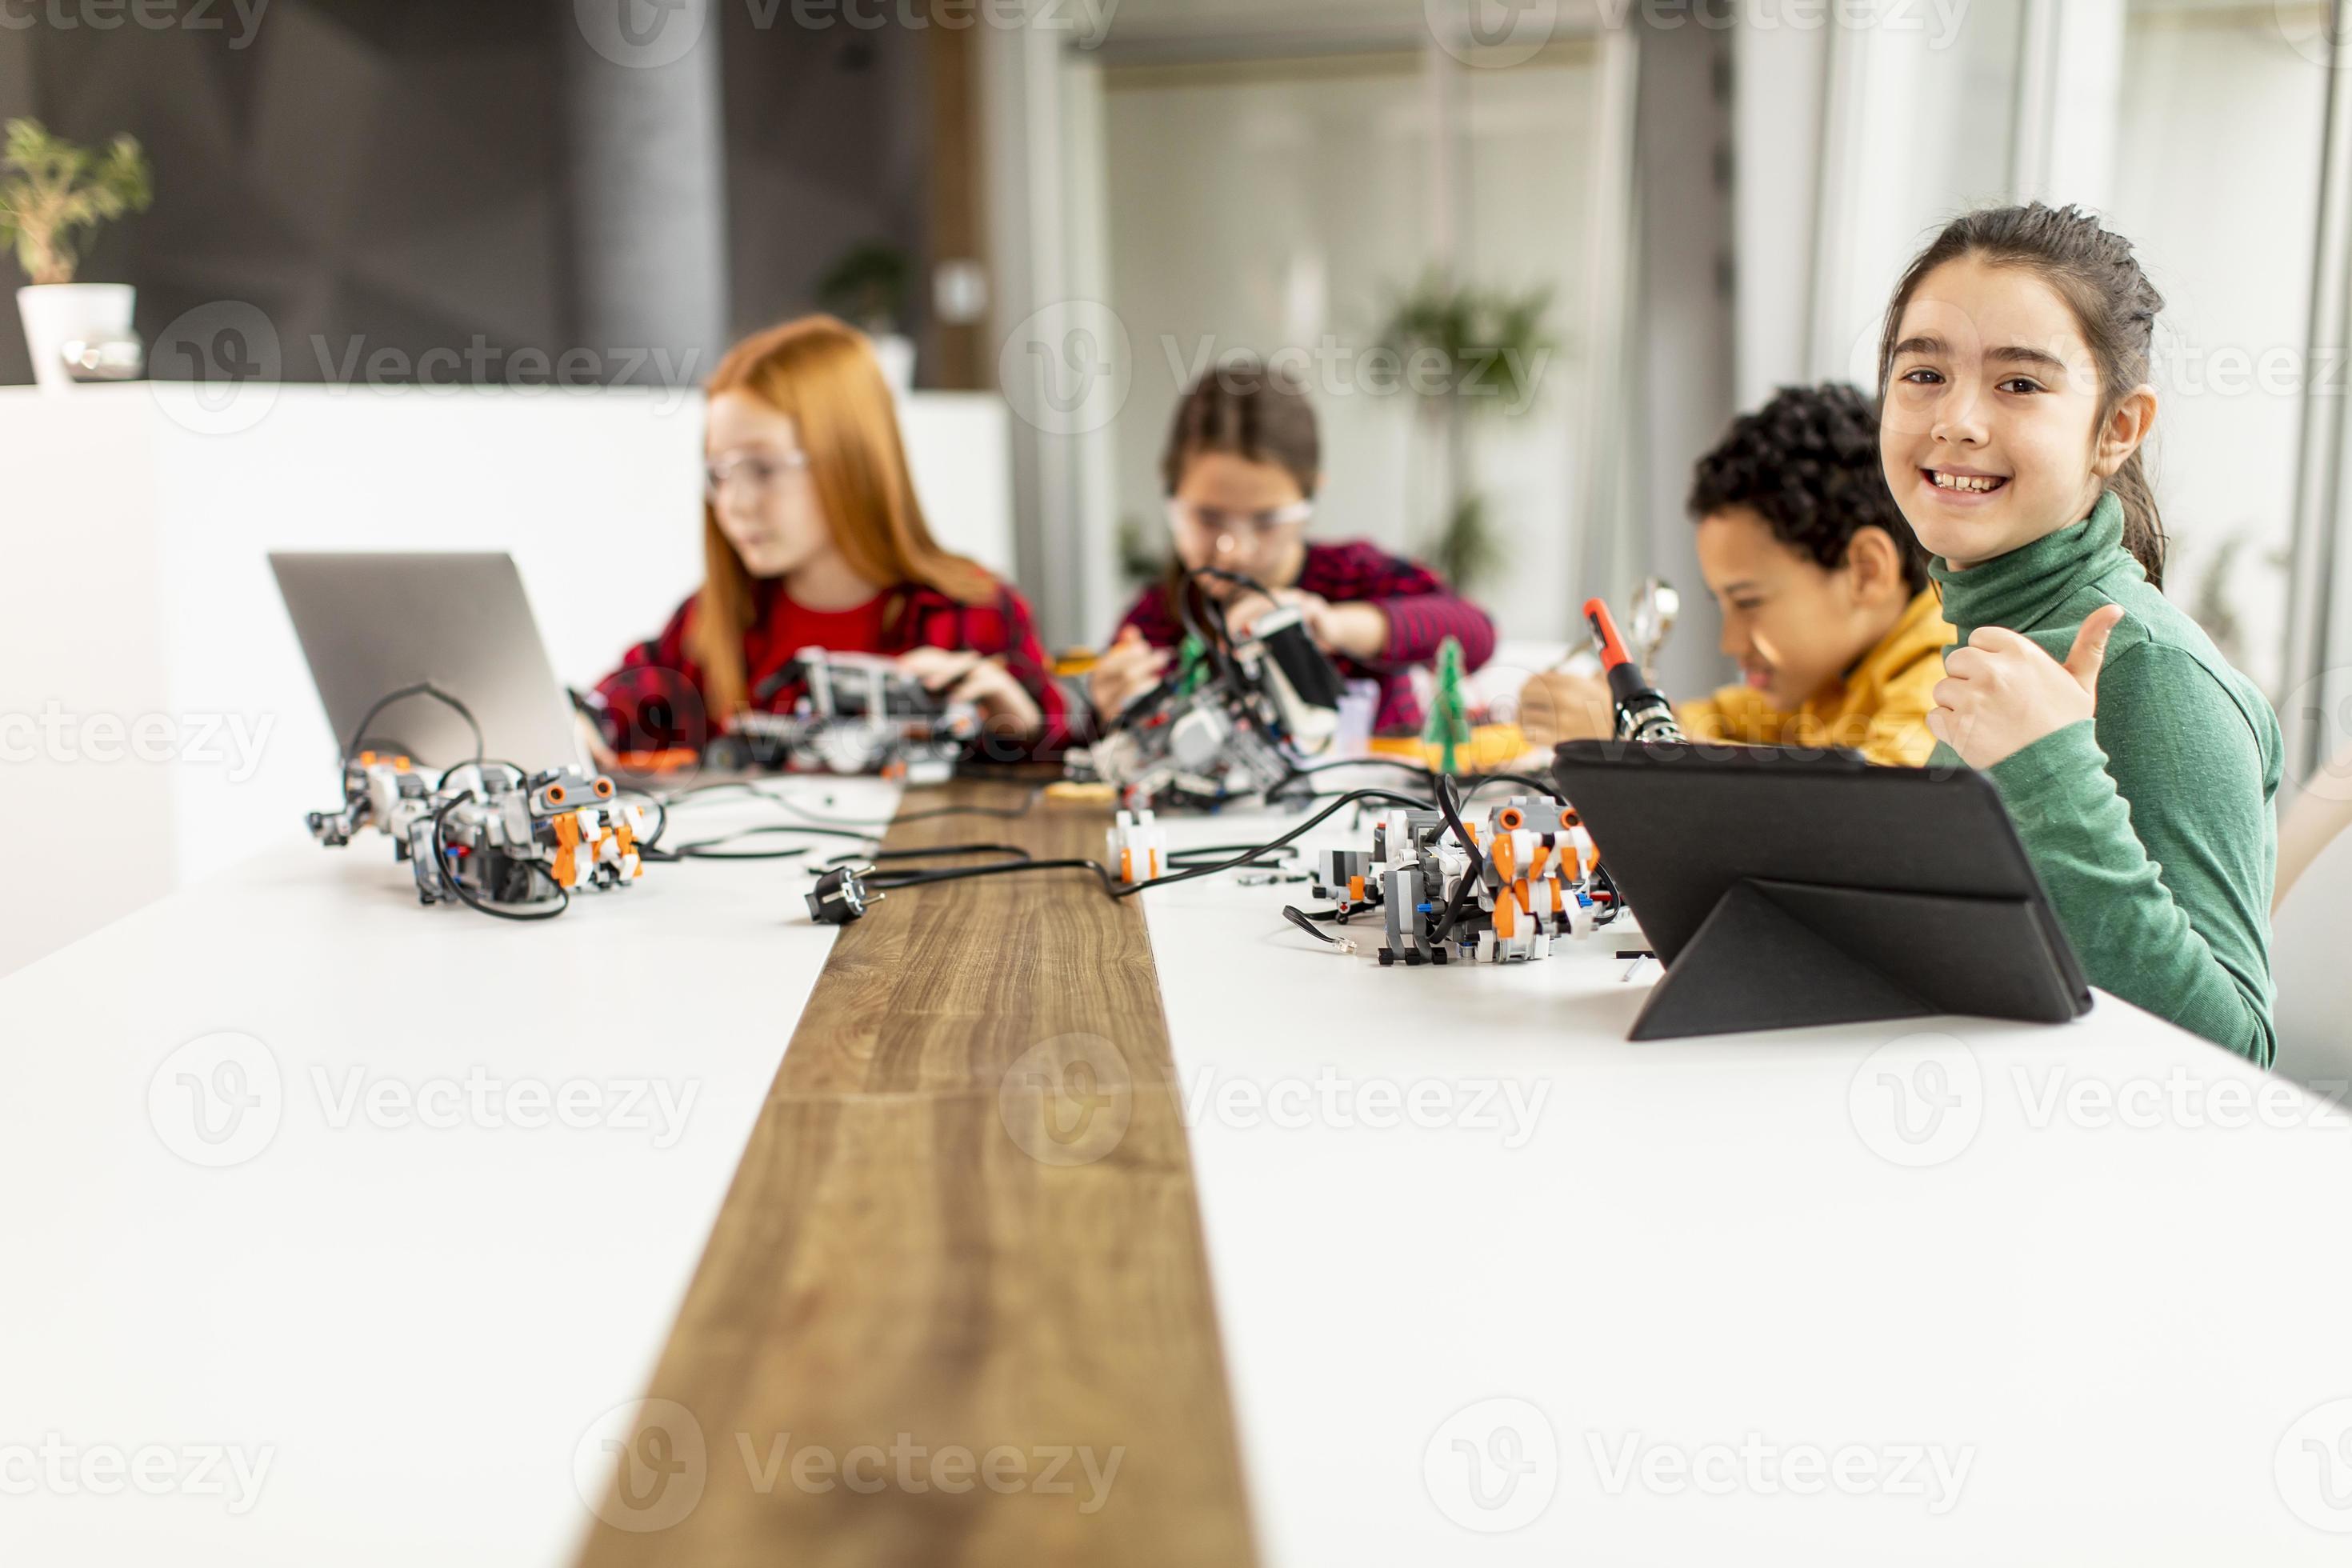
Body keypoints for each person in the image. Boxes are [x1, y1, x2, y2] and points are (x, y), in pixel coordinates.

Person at [1883, 202, 2280, 1063]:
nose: (1957, 420)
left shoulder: (2155, 675)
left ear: (2118, 429)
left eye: (2019, 384)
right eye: (1923, 375)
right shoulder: (1991, 627)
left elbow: (2237, 1057)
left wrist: (2053, 772)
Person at [586, 316, 1070, 762]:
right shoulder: (709, 624)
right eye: (720, 473)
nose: (734, 504)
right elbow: (610, 712)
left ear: (849, 461)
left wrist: (1022, 731)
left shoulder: (977, 615)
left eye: (762, 468)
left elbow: (1069, 772)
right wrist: (584, 727)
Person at [1521, 382, 1952, 766]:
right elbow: (1718, 719)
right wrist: (1641, 716)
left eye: (1748, 601)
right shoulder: (1827, 680)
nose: (1730, 643)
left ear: (1865, 571)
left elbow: (1878, 815)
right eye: (1724, 604)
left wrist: (1634, 742)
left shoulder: (1945, 680)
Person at [1087, 358, 1496, 734]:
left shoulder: (1354, 575)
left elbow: (1475, 635)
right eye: (1208, 518)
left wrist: (1334, 625)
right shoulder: (1155, 621)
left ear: (1310, 499)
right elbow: (1090, 743)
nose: (1234, 552)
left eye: (1266, 521)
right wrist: (1106, 711)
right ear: (1169, 492)